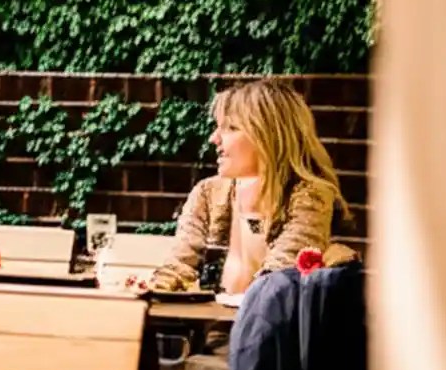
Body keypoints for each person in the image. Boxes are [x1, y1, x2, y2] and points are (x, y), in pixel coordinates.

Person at [149, 79, 357, 293]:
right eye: (217, 127)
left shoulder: (309, 196)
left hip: (270, 324)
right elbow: (178, 264)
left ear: (268, 135)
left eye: (230, 128)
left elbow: (280, 280)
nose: (214, 138)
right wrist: (157, 286)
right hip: (209, 321)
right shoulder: (207, 193)